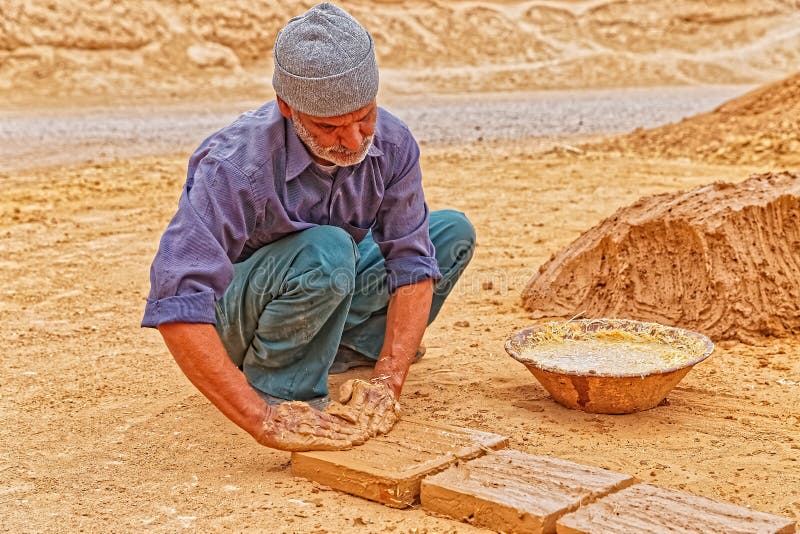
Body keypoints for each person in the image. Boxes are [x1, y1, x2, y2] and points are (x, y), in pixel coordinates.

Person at [142, 2, 475, 451]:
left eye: (364, 117)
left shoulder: (392, 143)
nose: (354, 142)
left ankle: (342, 352)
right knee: (329, 250)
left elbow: (412, 262)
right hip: (240, 315)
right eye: (330, 127)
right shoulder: (236, 166)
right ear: (287, 108)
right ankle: (281, 387)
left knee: (450, 234)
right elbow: (178, 300)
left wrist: (388, 382)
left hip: (321, 287)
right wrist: (261, 419)